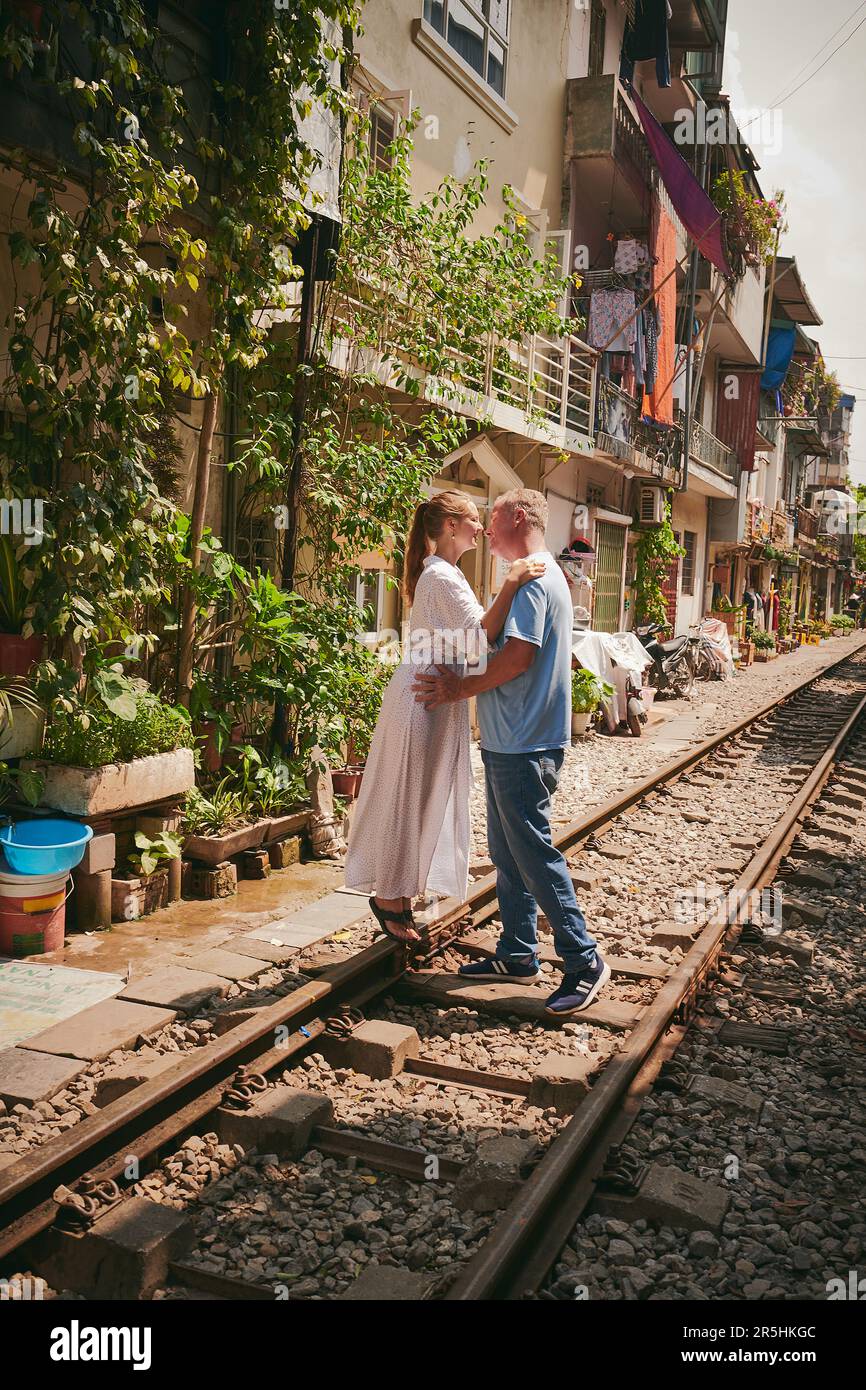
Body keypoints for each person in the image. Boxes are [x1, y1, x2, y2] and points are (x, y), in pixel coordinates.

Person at [413, 488, 609, 1017]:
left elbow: (518, 658)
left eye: (493, 518)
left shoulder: (535, 579)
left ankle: (584, 959)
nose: (486, 530)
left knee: (533, 853)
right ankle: (519, 952)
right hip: (512, 739)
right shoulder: (534, 576)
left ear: (518, 517)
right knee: (508, 854)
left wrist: (456, 689)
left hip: (526, 741)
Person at [344, 489, 544, 942]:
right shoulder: (440, 575)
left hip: (432, 696)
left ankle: (398, 894)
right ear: (451, 525)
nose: (482, 527)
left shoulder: (445, 573)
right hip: (424, 698)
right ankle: (389, 897)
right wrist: (511, 581)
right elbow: (477, 638)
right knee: (408, 797)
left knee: (419, 798)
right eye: (473, 518)